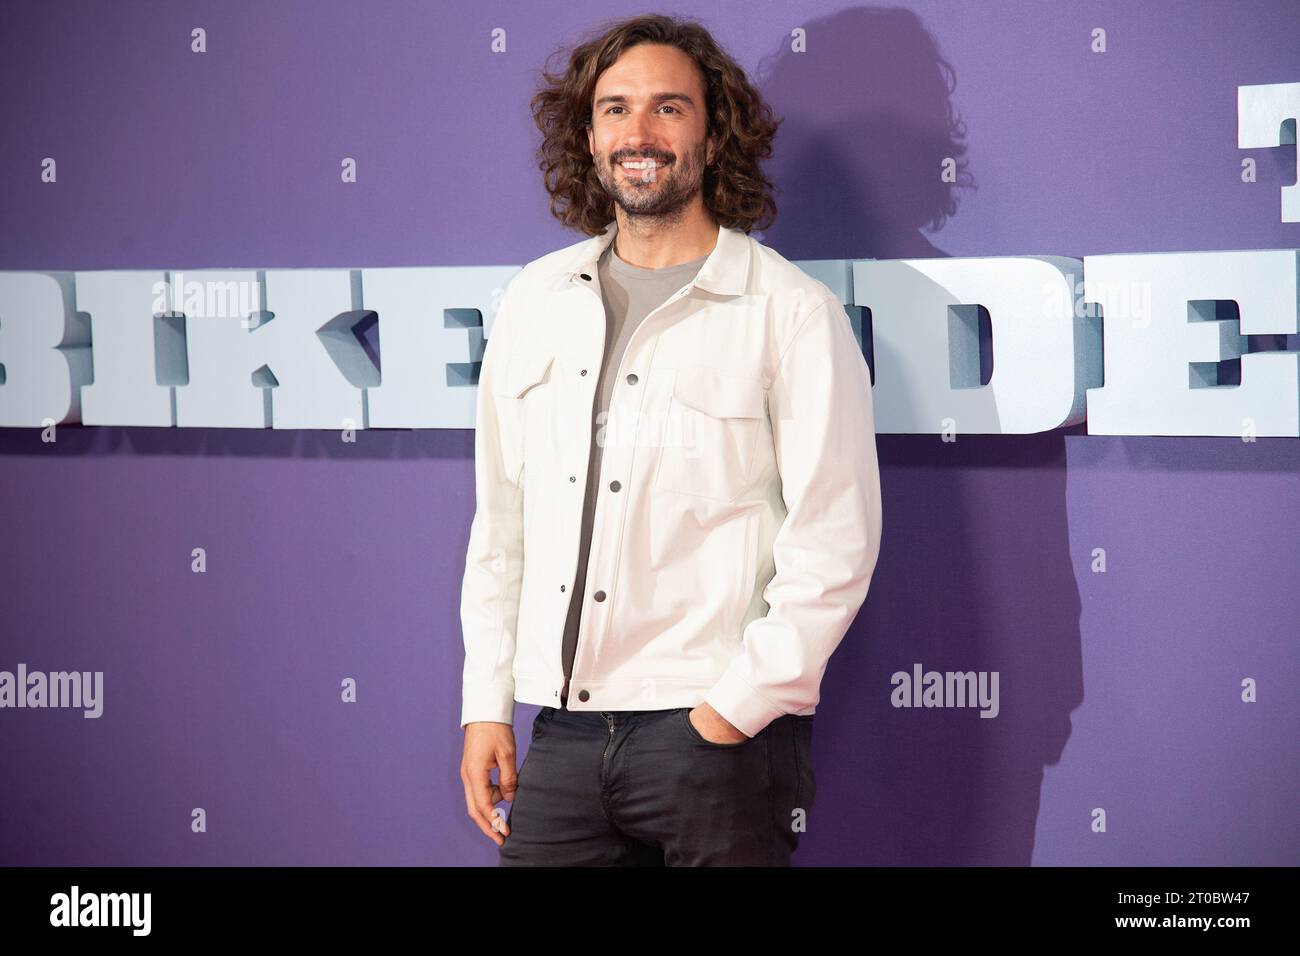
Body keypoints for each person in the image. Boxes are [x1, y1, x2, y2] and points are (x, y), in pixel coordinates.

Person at [458, 13, 882, 866]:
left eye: (667, 109)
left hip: (712, 742)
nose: (638, 134)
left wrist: (728, 713)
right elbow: (501, 528)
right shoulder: (536, 301)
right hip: (562, 737)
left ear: (714, 131)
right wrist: (487, 704)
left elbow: (836, 541)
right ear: (588, 134)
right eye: (614, 110)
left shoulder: (789, 313)